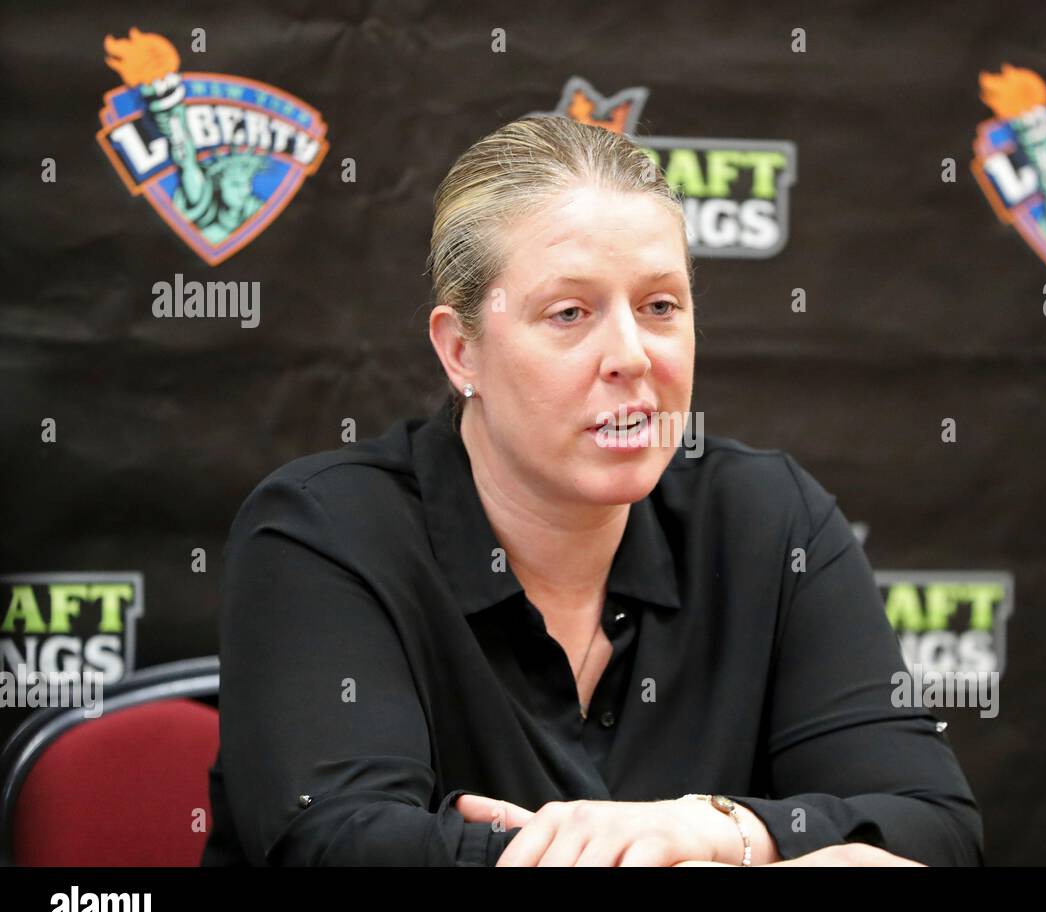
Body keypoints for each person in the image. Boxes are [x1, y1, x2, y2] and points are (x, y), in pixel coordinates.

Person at [200, 114, 984, 867]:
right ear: (460, 351)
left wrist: (712, 830)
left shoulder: (770, 521)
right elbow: (341, 845)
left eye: (660, 307)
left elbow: (932, 830)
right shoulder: (324, 530)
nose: (631, 356)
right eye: (570, 313)